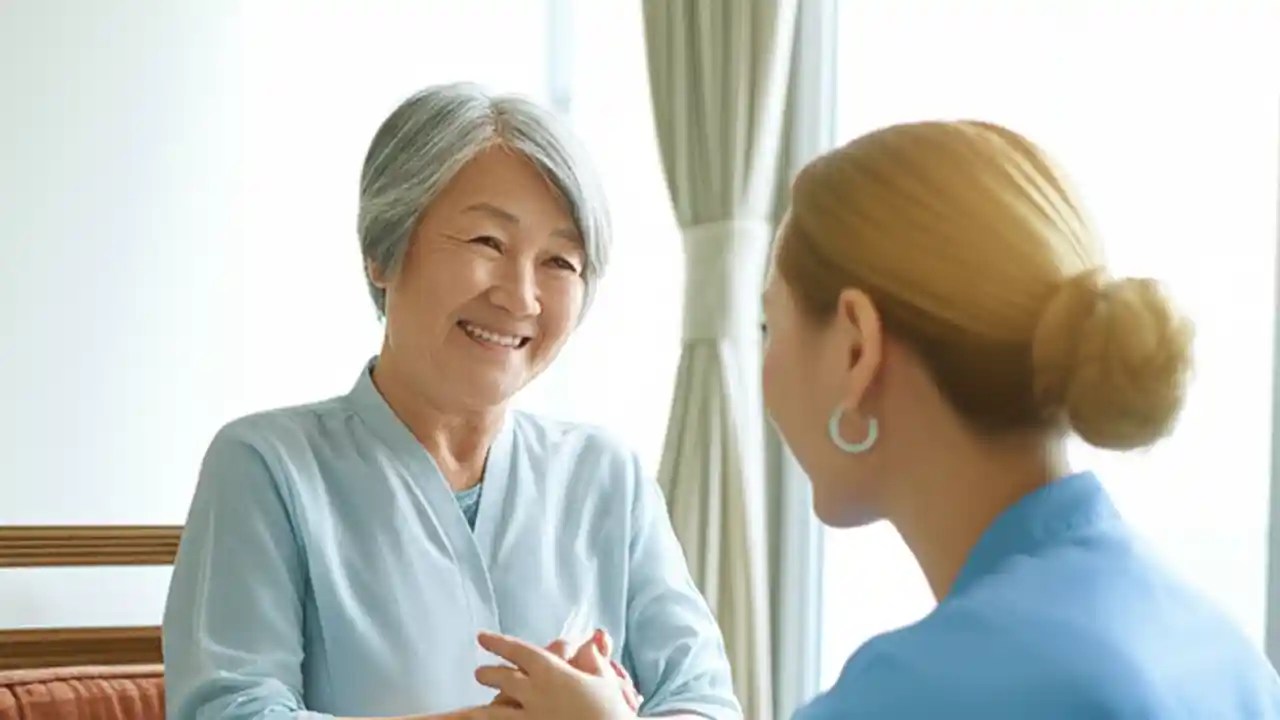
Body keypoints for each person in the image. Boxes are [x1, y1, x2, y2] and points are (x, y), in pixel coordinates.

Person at [471, 120, 1280, 718]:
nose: (764, 370)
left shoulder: (922, 692)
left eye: (769, 327)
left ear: (857, 348)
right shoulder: (1218, 647)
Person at [162, 82, 741, 720]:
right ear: (383, 253)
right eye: (487, 243)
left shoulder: (609, 476)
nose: (521, 298)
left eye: (560, 261)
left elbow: (705, 702)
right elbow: (231, 711)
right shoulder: (265, 466)